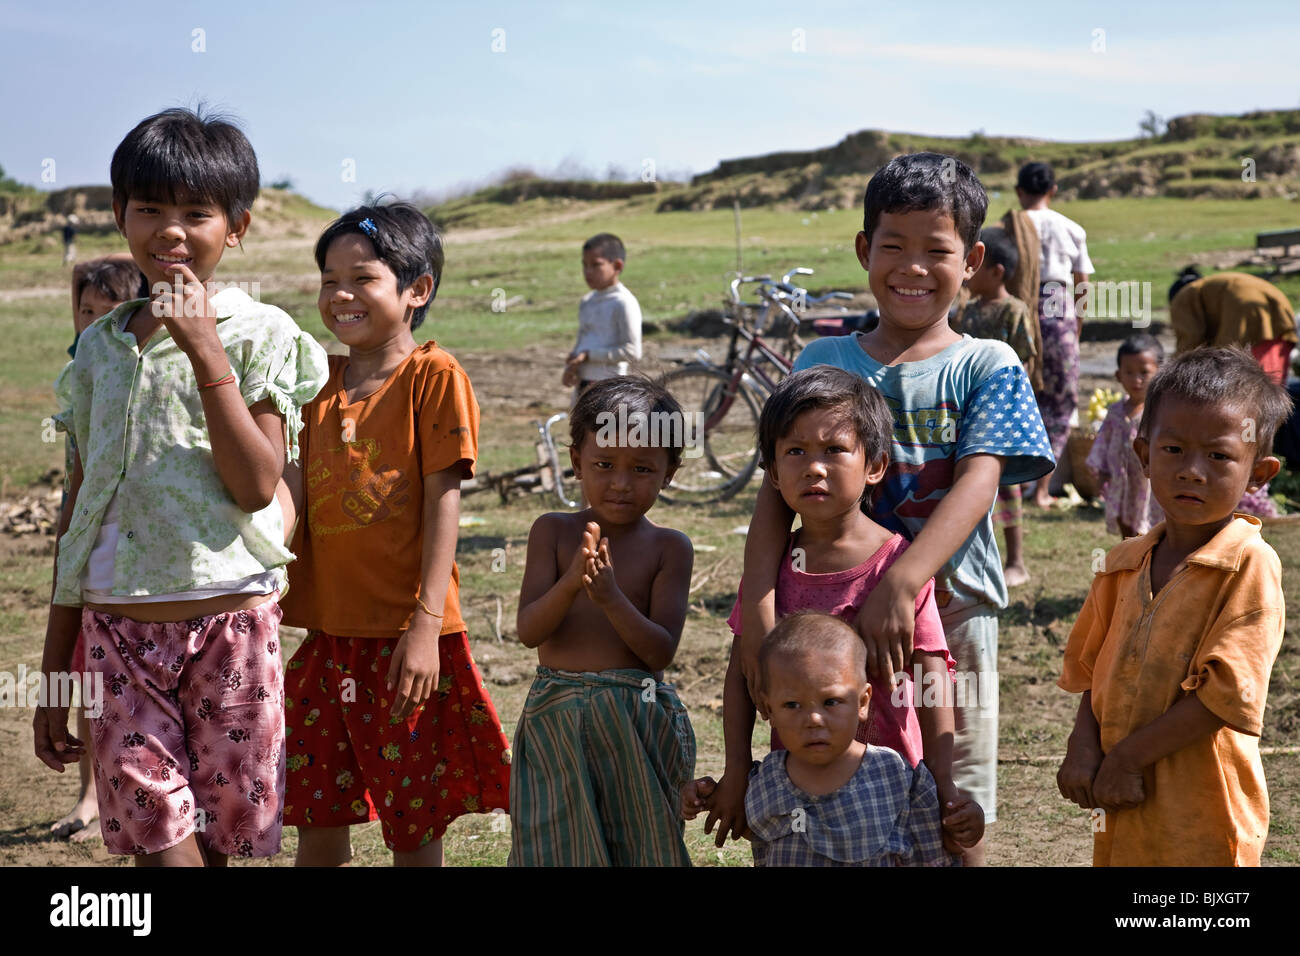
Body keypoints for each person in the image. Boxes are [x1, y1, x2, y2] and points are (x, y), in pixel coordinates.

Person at [733, 152, 1056, 865]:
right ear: (863, 251)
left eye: (936, 250)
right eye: (894, 246)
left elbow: (981, 479)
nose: (913, 266)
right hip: (828, 622)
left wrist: (903, 584)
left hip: (954, 610)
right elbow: (772, 490)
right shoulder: (824, 357)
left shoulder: (986, 364)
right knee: (828, 788)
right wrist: (758, 604)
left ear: (971, 259)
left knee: (951, 806)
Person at [33, 107, 330, 866]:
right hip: (116, 634)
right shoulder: (98, 351)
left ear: (237, 227)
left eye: (196, 213)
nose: (171, 232)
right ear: (118, 216)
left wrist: (205, 349)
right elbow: (78, 507)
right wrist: (54, 668)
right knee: (158, 839)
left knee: (217, 845)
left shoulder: (262, 333)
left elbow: (258, 485)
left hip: (231, 626)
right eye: (150, 210)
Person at [279, 203, 511, 866]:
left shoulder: (434, 379)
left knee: (413, 831)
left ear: (417, 290)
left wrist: (424, 627)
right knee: (317, 820)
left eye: (362, 278)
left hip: (409, 643)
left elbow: (445, 504)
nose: (341, 294)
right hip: (329, 641)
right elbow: (290, 489)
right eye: (328, 280)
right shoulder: (312, 383)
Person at [698, 365, 981, 855]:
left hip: (895, 786)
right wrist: (737, 768)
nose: (814, 467)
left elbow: (934, 675)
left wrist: (942, 780)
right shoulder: (772, 574)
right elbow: (741, 674)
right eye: (795, 452)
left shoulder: (899, 568)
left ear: (874, 465)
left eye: (834, 450)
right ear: (772, 472)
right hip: (796, 788)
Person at [1057, 347, 1292, 865]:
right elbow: (1095, 668)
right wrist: (1084, 743)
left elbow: (1227, 695)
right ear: (1143, 456)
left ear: (1260, 473)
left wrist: (1127, 757)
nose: (1192, 471)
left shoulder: (1247, 565)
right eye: (1173, 450)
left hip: (1203, 803)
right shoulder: (1122, 563)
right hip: (1124, 796)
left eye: (1219, 456)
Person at [511, 376, 696, 866]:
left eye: (641, 469)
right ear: (576, 462)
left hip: (634, 719)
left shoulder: (669, 548)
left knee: (642, 840)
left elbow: (659, 653)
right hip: (556, 718)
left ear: (669, 473)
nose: (620, 482)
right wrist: (572, 582)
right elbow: (529, 631)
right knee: (556, 844)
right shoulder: (552, 532)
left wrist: (610, 597)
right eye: (604, 464)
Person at [692, 612, 958, 867]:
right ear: (769, 709)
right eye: (792, 705)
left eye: (831, 702)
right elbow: (762, 831)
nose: (814, 719)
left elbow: (931, 856)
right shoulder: (765, 781)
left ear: (862, 702)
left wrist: (965, 827)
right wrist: (703, 797)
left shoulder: (896, 779)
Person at [47, 254, 148, 843]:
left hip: (130, 551)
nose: (93, 322)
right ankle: (90, 791)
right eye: (85, 310)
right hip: (81, 535)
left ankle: (103, 791)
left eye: (108, 311)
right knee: (83, 669)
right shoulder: (82, 369)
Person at [953, 226, 1037, 585]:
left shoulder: (1014, 311)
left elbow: (1025, 362)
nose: (966, 272)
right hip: (964, 410)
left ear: (996, 271)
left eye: (975, 265)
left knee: (1006, 489)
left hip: (1000, 414)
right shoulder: (966, 311)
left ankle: (1016, 561)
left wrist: (1014, 411)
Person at [1016, 161, 1095, 508]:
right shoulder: (1071, 228)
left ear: (1019, 191)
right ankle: (1042, 489)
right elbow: (1083, 286)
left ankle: (1011, 486)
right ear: (1053, 191)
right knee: (1060, 402)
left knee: (1018, 395)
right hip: (1058, 309)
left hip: (1017, 309)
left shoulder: (1009, 228)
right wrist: (1076, 325)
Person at [1085, 334, 1165, 537]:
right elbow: (1103, 443)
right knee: (1125, 528)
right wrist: (1102, 474)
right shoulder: (1115, 412)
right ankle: (1129, 565)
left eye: (1144, 373)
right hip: (1120, 485)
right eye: (1129, 372)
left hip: (1149, 488)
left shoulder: (1160, 413)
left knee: (1149, 529)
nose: (1136, 380)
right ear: (1118, 375)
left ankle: (1148, 566)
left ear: (1159, 374)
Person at [1169, 266, 1297, 385]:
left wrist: (1173, 372)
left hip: (1245, 310)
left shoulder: (1183, 296)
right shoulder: (1212, 287)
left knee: (1231, 368)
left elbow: (1189, 342)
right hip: (1279, 302)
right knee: (1271, 382)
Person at [562, 233, 642, 398]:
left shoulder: (623, 302)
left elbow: (633, 351)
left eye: (596, 265)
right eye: (584, 265)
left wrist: (590, 356)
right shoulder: (587, 301)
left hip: (609, 388)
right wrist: (573, 363)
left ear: (617, 266)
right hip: (583, 386)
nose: (588, 272)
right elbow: (583, 341)